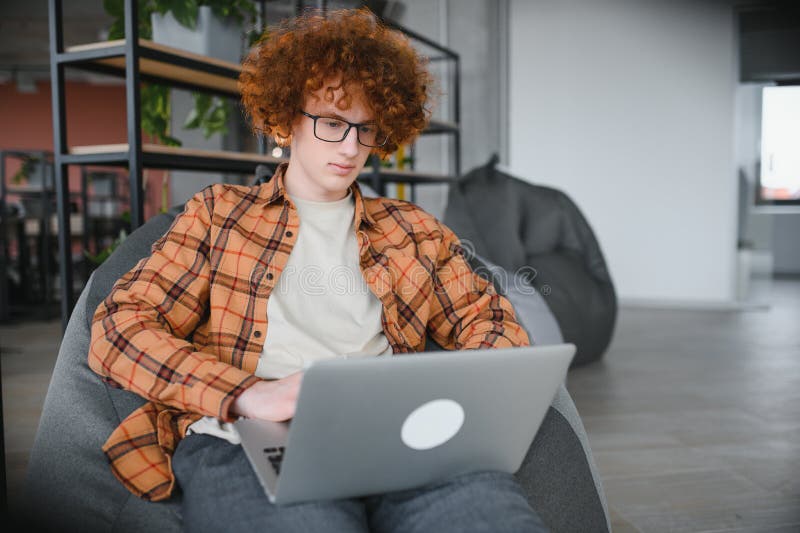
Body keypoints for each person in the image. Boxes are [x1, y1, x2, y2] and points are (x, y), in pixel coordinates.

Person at [89, 7, 547, 532]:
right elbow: (118, 326)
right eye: (332, 123)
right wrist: (246, 394)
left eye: (366, 129)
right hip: (249, 437)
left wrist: (450, 406)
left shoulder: (414, 230)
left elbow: (491, 323)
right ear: (285, 120)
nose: (352, 148)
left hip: (393, 433)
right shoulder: (219, 214)